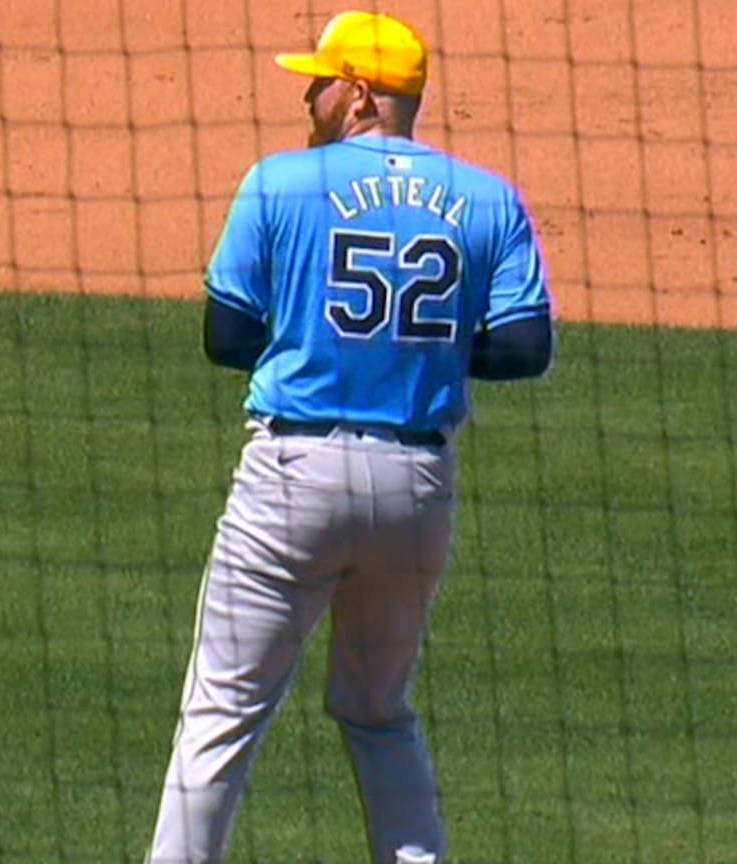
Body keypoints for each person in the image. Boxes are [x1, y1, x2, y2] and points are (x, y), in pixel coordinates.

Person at [145, 10, 554, 864]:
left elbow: (225, 334)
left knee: (222, 711)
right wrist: (419, 352)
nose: (309, 97)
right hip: (414, 493)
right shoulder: (488, 198)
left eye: (322, 83)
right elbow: (525, 348)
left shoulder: (280, 184)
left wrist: (318, 341)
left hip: (293, 479)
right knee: (377, 710)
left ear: (360, 95)